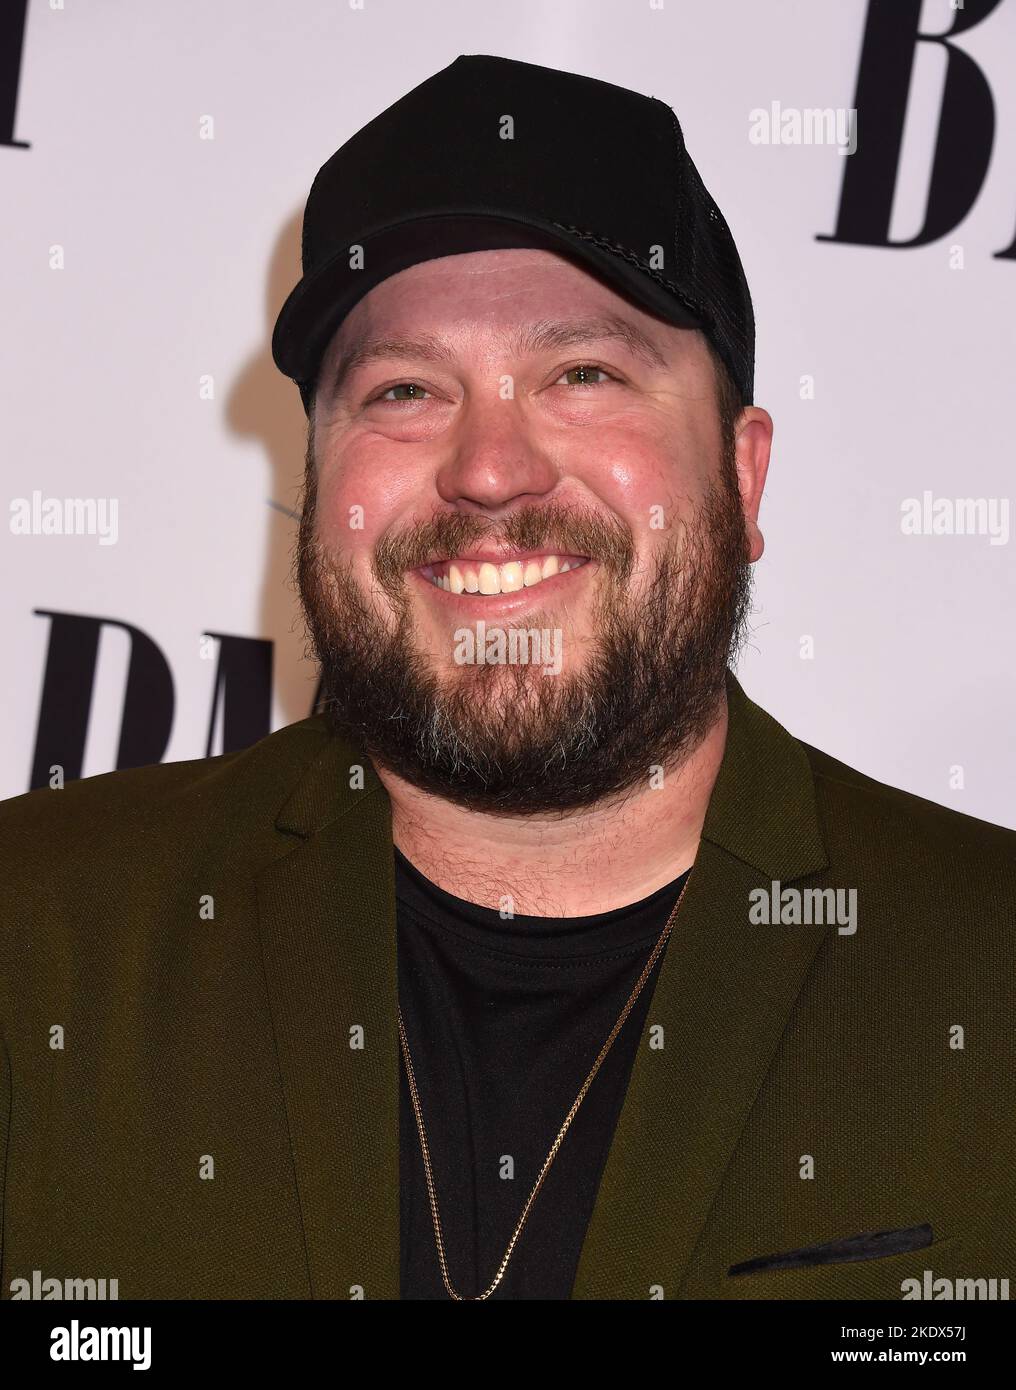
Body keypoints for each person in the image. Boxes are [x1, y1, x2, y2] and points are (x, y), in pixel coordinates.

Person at [1, 54, 1013, 1303]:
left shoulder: (986, 967)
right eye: (405, 390)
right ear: (318, 486)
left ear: (742, 478)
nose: (490, 470)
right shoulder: (33, 936)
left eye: (581, 375)